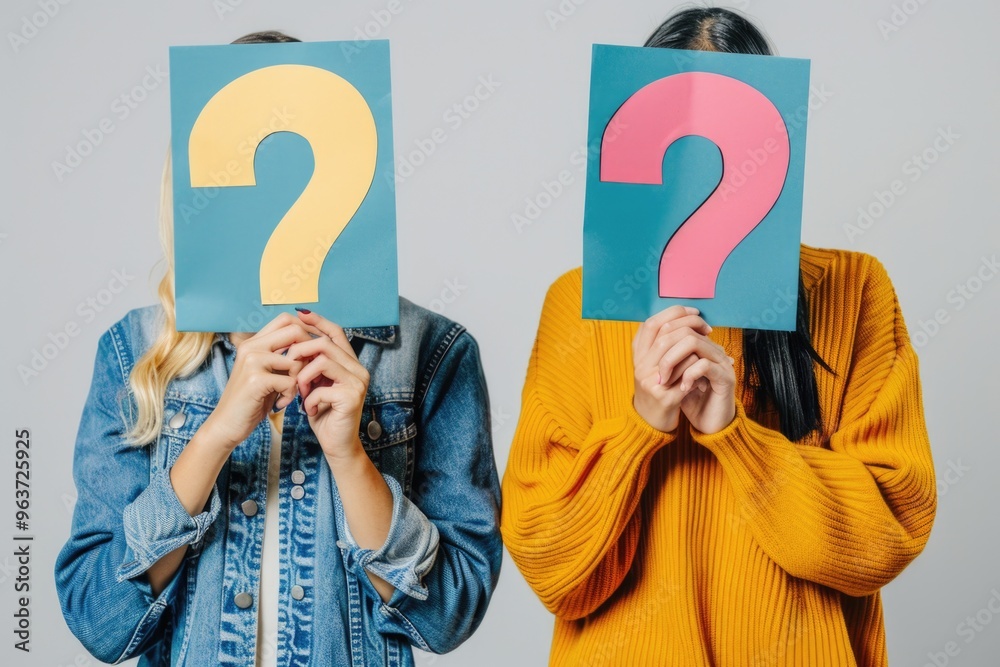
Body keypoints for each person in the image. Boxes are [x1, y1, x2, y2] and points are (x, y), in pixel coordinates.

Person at [500, 7, 936, 666]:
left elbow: (887, 537)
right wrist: (642, 424)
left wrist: (736, 435)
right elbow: (553, 569)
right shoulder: (577, 305)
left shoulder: (854, 289)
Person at [53, 30, 502, 667]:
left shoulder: (432, 352)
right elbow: (99, 623)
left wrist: (350, 455)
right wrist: (214, 437)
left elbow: (450, 614)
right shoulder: (132, 354)